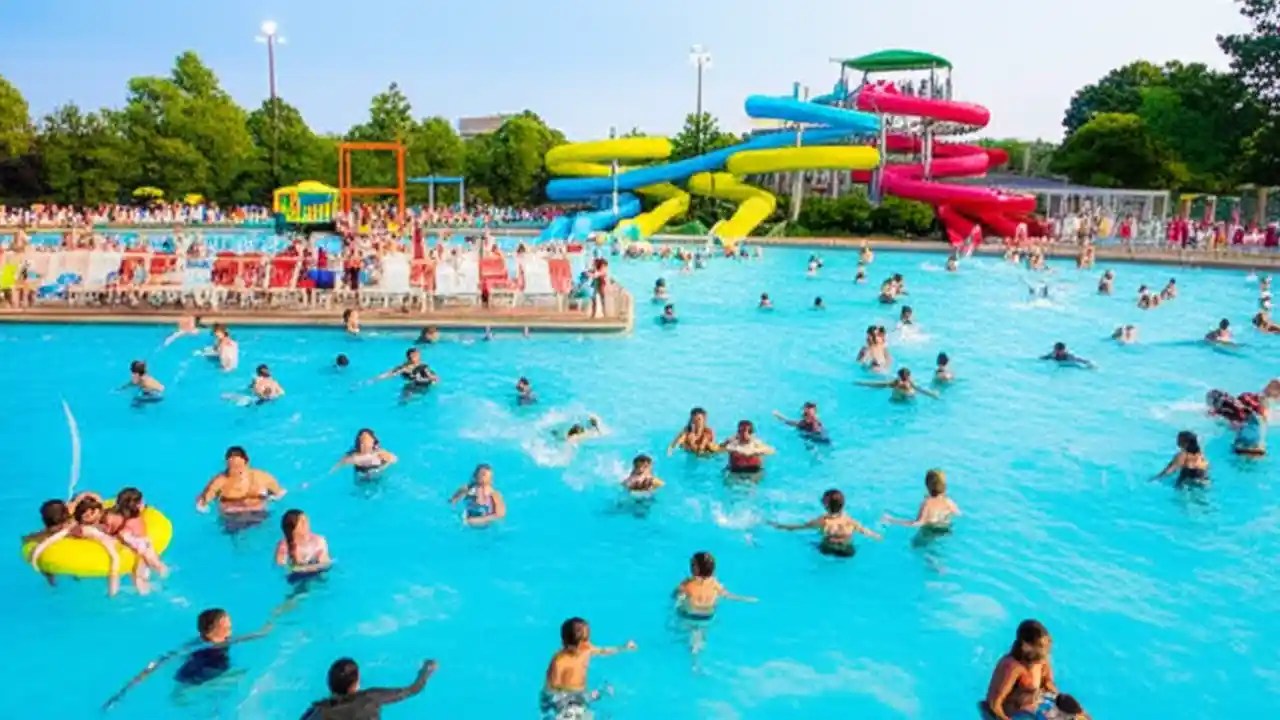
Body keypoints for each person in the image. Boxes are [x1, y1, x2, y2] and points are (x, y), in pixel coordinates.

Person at [102, 608, 273, 710]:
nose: (231, 627)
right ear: (214, 630)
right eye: (227, 624)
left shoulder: (225, 639)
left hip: (203, 676)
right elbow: (160, 662)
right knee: (248, 676)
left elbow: (251, 636)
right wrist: (124, 690)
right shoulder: (197, 645)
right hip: (196, 679)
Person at [541, 618, 637, 718]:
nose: (589, 642)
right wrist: (555, 705)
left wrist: (623, 647)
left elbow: (603, 651)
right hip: (565, 698)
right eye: (586, 639)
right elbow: (551, 688)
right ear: (572, 645)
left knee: (603, 694)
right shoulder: (559, 662)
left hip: (581, 695)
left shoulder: (586, 649)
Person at [28, 496, 121, 597]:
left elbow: (114, 557)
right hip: (86, 532)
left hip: (103, 537)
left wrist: (112, 592)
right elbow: (49, 541)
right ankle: (53, 582)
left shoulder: (84, 529)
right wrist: (35, 559)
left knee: (114, 559)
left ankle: (112, 594)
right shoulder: (69, 528)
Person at [298, 658, 438, 720]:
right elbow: (412, 690)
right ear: (355, 684)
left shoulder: (317, 710)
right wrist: (427, 671)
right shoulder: (371, 697)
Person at [983, 619, 1059, 720]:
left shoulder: (1042, 660)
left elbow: (1048, 684)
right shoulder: (1011, 667)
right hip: (1011, 716)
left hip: (1032, 710)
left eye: (1046, 647)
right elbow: (993, 704)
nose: (1046, 652)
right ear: (1025, 646)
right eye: (1040, 647)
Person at [770, 488, 881, 557]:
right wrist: (877, 536)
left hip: (828, 548)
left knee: (809, 543)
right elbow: (866, 532)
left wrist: (779, 525)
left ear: (826, 505)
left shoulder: (823, 521)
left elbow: (799, 527)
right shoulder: (849, 521)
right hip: (847, 550)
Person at [196, 446, 286, 529]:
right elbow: (204, 501)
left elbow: (279, 492)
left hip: (258, 512)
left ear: (247, 462)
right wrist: (202, 505)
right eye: (232, 468)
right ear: (227, 465)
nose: (236, 471)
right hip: (232, 516)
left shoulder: (263, 477)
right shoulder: (219, 481)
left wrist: (270, 499)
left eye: (238, 467)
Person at [673, 551, 755, 619]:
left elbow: (678, 597)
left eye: (692, 564)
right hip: (708, 616)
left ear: (696, 569)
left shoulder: (686, 584)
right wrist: (746, 599)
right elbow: (728, 596)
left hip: (689, 614)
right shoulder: (714, 584)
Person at [881, 469, 961, 532]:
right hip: (945, 530)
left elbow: (917, 524)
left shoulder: (926, 503)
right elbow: (958, 514)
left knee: (915, 546)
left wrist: (892, 520)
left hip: (929, 532)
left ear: (927, 486)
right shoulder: (948, 501)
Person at [275, 509, 331, 578]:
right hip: (295, 575)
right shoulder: (284, 546)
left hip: (316, 573)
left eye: (307, 520)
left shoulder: (319, 541)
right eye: (302, 522)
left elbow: (326, 564)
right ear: (293, 528)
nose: (307, 524)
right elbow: (280, 568)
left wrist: (306, 568)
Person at [333, 429, 398, 476]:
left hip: (378, 475)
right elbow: (340, 464)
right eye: (362, 442)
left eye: (367, 442)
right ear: (358, 444)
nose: (364, 445)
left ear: (373, 443)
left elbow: (394, 459)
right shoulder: (353, 454)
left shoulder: (380, 452)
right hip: (361, 477)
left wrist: (389, 459)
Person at [372, 348, 438, 394]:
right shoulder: (404, 367)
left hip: (419, 384)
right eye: (413, 356)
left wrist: (433, 380)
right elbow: (390, 374)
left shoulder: (423, 366)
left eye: (416, 355)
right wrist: (376, 379)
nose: (415, 357)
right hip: (413, 384)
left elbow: (434, 377)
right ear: (408, 357)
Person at [857, 368, 939, 401]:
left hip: (895, 402)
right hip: (906, 403)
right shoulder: (910, 384)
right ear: (909, 376)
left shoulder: (896, 383)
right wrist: (933, 394)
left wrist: (863, 383)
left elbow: (880, 385)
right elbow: (921, 390)